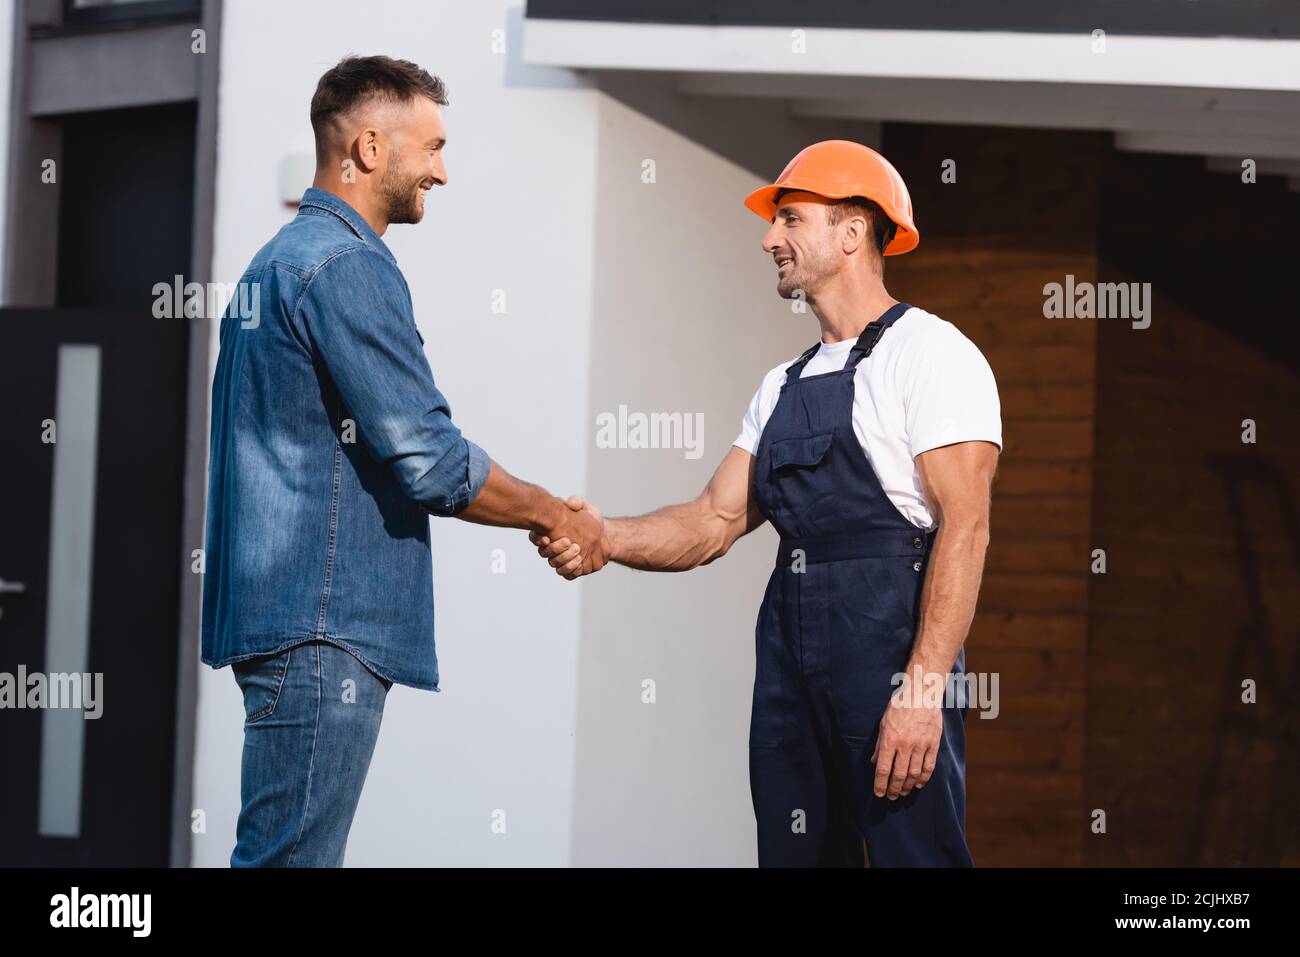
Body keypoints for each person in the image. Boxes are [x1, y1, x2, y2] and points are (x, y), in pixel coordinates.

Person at [534, 141, 1001, 867]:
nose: (768, 237)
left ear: (852, 232)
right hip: (789, 662)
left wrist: (922, 691)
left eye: (789, 218)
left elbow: (966, 530)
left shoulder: (933, 355)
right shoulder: (780, 384)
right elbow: (713, 520)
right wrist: (603, 534)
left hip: (886, 659)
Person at [201, 55, 605, 867]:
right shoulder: (344, 264)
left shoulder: (275, 264)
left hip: (292, 628)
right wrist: (555, 514)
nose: (443, 171)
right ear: (372, 148)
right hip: (323, 631)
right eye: (432, 147)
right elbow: (428, 457)